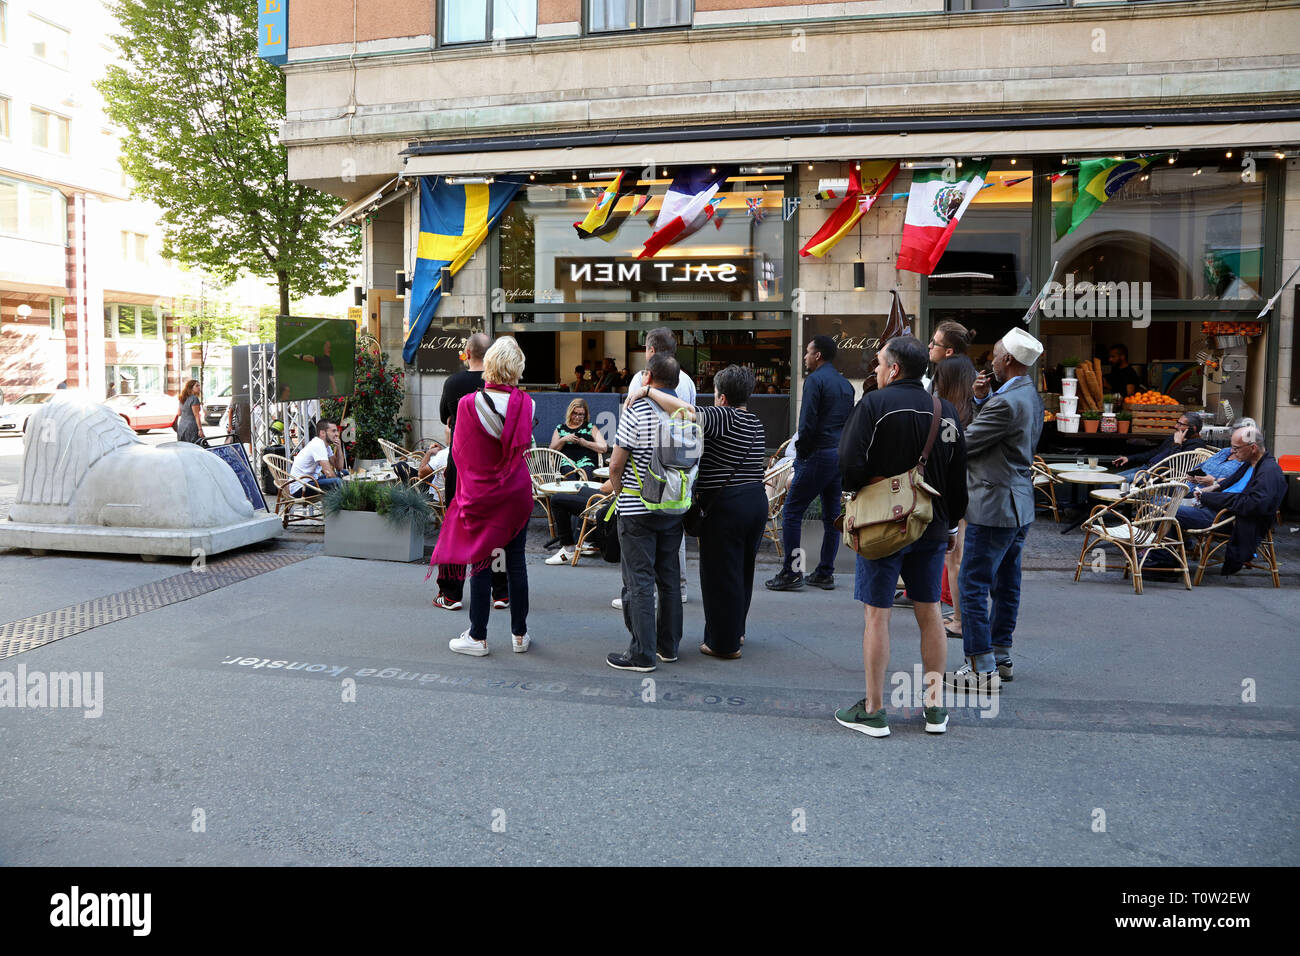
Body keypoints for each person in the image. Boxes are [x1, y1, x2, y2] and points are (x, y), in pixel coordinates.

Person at [833, 336, 968, 737]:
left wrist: (866, 483)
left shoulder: (873, 405)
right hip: (932, 522)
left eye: (878, 364)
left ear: (893, 369)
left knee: (878, 613)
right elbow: (959, 475)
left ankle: (874, 710)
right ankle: (934, 709)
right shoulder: (945, 412)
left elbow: (848, 462)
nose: (874, 370)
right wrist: (954, 524)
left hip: (882, 524)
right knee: (929, 612)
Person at [627, 364, 767, 659]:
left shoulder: (723, 416)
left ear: (722, 397)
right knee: (742, 570)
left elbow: (687, 412)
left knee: (720, 574)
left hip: (728, 506)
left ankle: (723, 644)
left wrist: (648, 390)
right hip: (756, 503)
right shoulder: (755, 421)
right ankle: (736, 630)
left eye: (715, 394)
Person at [949, 327, 1045, 694]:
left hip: (994, 505)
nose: (990, 360)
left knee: (972, 583)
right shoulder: (1027, 394)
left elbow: (967, 443)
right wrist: (980, 400)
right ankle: (1000, 656)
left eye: (994, 354)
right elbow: (1000, 437)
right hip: (1018, 503)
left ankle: (980, 667)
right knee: (1007, 582)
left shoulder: (1006, 403)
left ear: (1007, 361)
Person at [433, 337, 534, 657]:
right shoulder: (527, 403)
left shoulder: (467, 404)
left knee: (481, 563)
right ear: (517, 367)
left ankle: (478, 637)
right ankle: (520, 635)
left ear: (489, 364)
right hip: (517, 492)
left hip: (483, 494)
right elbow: (525, 447)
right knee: (516, 563)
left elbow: (460, 456)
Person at [602, 353, 688, 672]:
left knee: (638, 579)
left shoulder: (636, 410)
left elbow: (615, 465)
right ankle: (669, 646)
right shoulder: (685, 413)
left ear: (648, 378)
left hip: (638, 507)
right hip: (674, 504)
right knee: (668, 579)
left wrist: (621, 492)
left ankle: (642, 653)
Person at [614, 327, 696, 609]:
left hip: (644, 481)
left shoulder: (642, 379)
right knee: (671, 550)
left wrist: (618, 490)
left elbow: (621, 451)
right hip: (678, 475)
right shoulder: (687, 381)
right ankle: (678, 591)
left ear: (650, 350)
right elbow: (690, 419)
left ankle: (640, 602)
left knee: (639, 562)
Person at [765, 334, 853, 591]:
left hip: (817, 454)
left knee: (791, 512)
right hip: (837, 455)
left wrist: (801, 455)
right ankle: (825, 572)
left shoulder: (815, 381)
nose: (804, 356)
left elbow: (807, 424)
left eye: (807, 352)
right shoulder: (846, 385)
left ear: (818, 356)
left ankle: (792, 573)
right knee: (832, 517)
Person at [433, 333, 507, 612]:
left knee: (457, 524)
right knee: (496, 526)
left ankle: (451, 593)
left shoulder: (453, 383)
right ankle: (500, 591)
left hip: (462, 462)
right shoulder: (499, 386)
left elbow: (445, 418)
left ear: (466, 352)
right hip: (493, 463)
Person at [1175, 424, 1287, 575]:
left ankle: (1164, 562)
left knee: (1166, 511)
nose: (1232, 452)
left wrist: (1209, 497)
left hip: (1228, 519)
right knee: (1160, 505)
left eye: (1236, 448)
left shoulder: (1268, 472)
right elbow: (1230, 483)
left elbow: (1251, 504)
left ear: (1253, 447)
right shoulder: (1250, 463)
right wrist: (1213, 488)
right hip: (1218, 510)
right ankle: (1166, 559)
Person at [931, 354, 977, 637]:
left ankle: (961, 620)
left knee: (955, 557)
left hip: (960, 492)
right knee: (960, 557)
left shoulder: (951, 415)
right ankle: (962, 615)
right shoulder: (975, 409)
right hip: (973, 490)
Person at [1111, 412, 1210, 483]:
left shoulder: (1196, 445)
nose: (1176, 426)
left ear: (1193, 428)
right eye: (1177, 422)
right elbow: (1155, 452)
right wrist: (1129, 458)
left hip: (1158, 476)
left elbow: (1176, 465)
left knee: (1112, 482)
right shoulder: (1174, 437)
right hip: (1146, 468)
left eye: (1180, 424)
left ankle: (1110, 511)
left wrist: (1177, 444)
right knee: (1111, 478)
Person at [549, 398, 608, 476]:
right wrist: (563, 440)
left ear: (585, 415)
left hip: (587, 461)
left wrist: (585, 443)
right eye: (574, 413)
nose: (577, 417)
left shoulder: (590, 427)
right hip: (566, 462)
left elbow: (604, 447)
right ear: (570, 413)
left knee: (587, 471)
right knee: (568, 472)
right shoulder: (560, 428)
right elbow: (551, 450)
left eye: (580, 414)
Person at [289, 419, 345, 495]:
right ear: (322, 433)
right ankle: (345, 505)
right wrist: (342, 482)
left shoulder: (326, 446)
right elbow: (329, 474)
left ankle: (345, 503)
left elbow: (339, 467)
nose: (337, 434)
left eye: (336, 431)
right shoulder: (318, 445)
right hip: (300, 487)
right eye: (333, 431)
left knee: (344, 473)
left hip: (311, 481)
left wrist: (339, 448)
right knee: (337, 481)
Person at [923, 320, 972, 391]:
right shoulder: (938, 376)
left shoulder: (973, 382)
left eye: (934, 343)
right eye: (931, 341)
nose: (929, 346)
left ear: (948, 352)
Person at [176, 380, 204, 444]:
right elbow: (196, 415)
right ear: (190, 388)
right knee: (196, 447)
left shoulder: (182, 398)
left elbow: (179, 413)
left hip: (182, 425)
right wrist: (200, 429)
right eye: (197, 386)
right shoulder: (194, 398)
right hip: (191, 426)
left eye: (199, 385)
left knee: (183, 447)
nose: (199, 387)